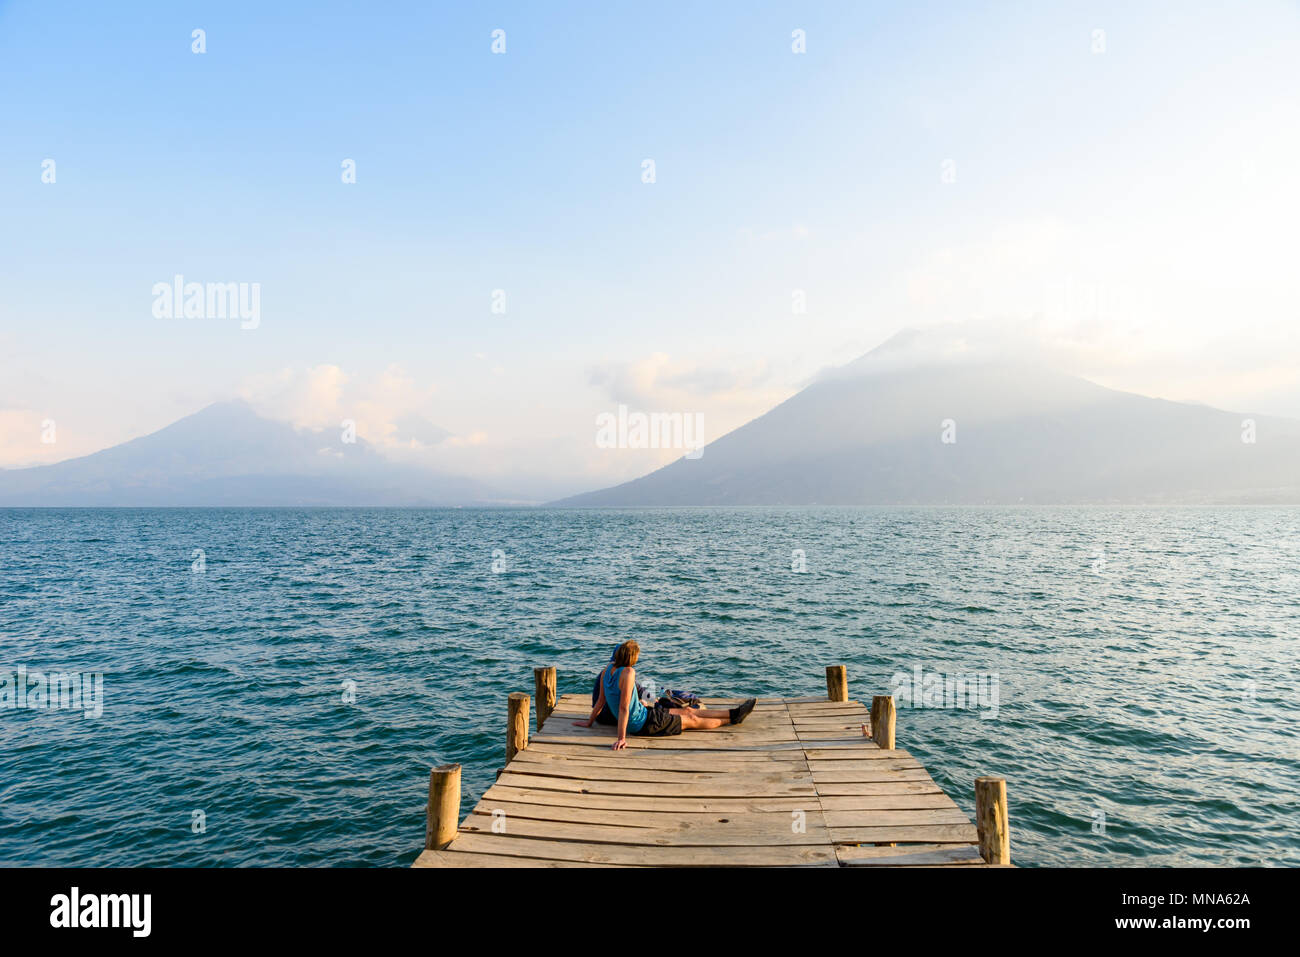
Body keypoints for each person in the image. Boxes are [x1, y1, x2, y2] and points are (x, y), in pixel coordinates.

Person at [574, 640, 757, 750]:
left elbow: (599, 702)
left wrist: (589, 722)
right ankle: (733, 718)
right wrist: (621, 738)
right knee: (692, 720)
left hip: (646, 715)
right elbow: (623, 708)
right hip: (644, 724)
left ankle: (733, 711)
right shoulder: (628, 673)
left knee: (687, 713)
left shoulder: (606, 670)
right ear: (631, 658)